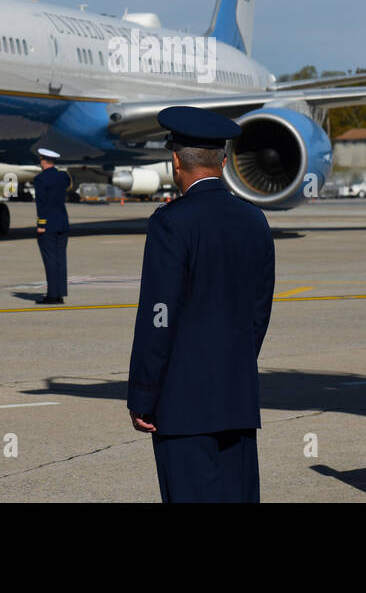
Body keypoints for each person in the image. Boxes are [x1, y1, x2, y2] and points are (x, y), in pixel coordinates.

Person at [126, 106, 275, 502]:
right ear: (223, 162)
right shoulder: (254, 220)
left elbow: (159, 316)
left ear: (175, 160)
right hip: (237, 399)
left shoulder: (171, 222)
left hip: (183, 406)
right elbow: (260, 311)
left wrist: (143, 394)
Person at [32, 148, 72, 305]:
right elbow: (69, 182)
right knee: (61, 259)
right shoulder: (63, 177)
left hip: (48, 224)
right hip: (62, 222)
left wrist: (41, 223)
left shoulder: (41, 179)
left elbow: (41, 204)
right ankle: (60, 293)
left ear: (43, 161)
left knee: (50, 260)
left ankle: (52, 295)